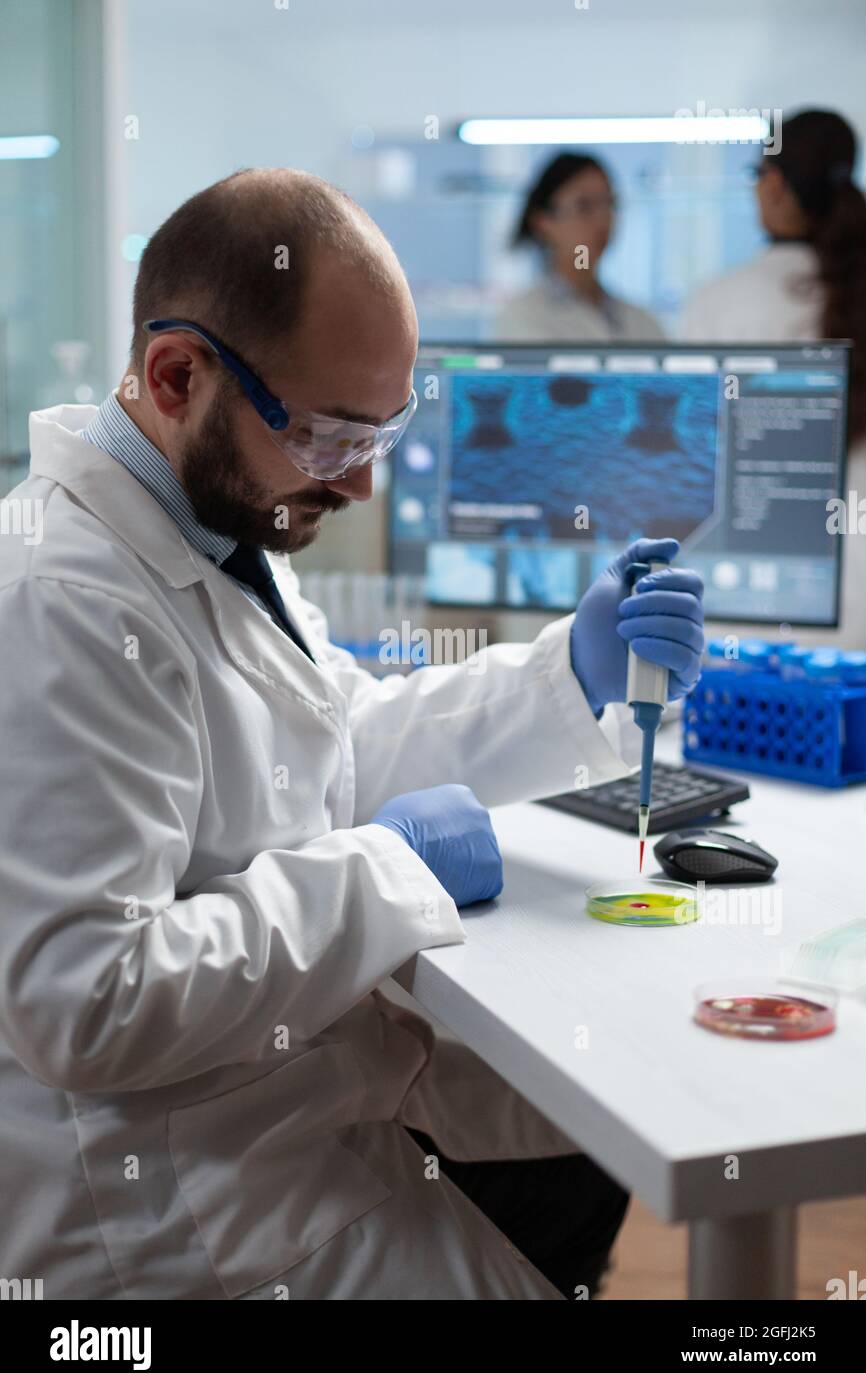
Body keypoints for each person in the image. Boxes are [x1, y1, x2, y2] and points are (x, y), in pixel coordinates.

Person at [0, 168, 704, 1301]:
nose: (365, 482)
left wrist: (565, 679)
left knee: (589, 1139)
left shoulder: (215, 529)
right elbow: (87, 1002)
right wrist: (387, 868)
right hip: (174, 1210)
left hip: (291, 1098)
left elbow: (332, 745)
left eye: (386, 430)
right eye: (331, 435)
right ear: (177, 375)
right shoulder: (59, 601)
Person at [681, 109, 866, 648]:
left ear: (776, 185)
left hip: (754, 601)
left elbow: (693, 455)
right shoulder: (852, 291)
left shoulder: (718, 303)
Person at [494, 151, 664, 342]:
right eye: (584, 206)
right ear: (543, 221)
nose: (603, 220)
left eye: (609, 203)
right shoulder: (523, 317)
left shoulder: (643, 322)